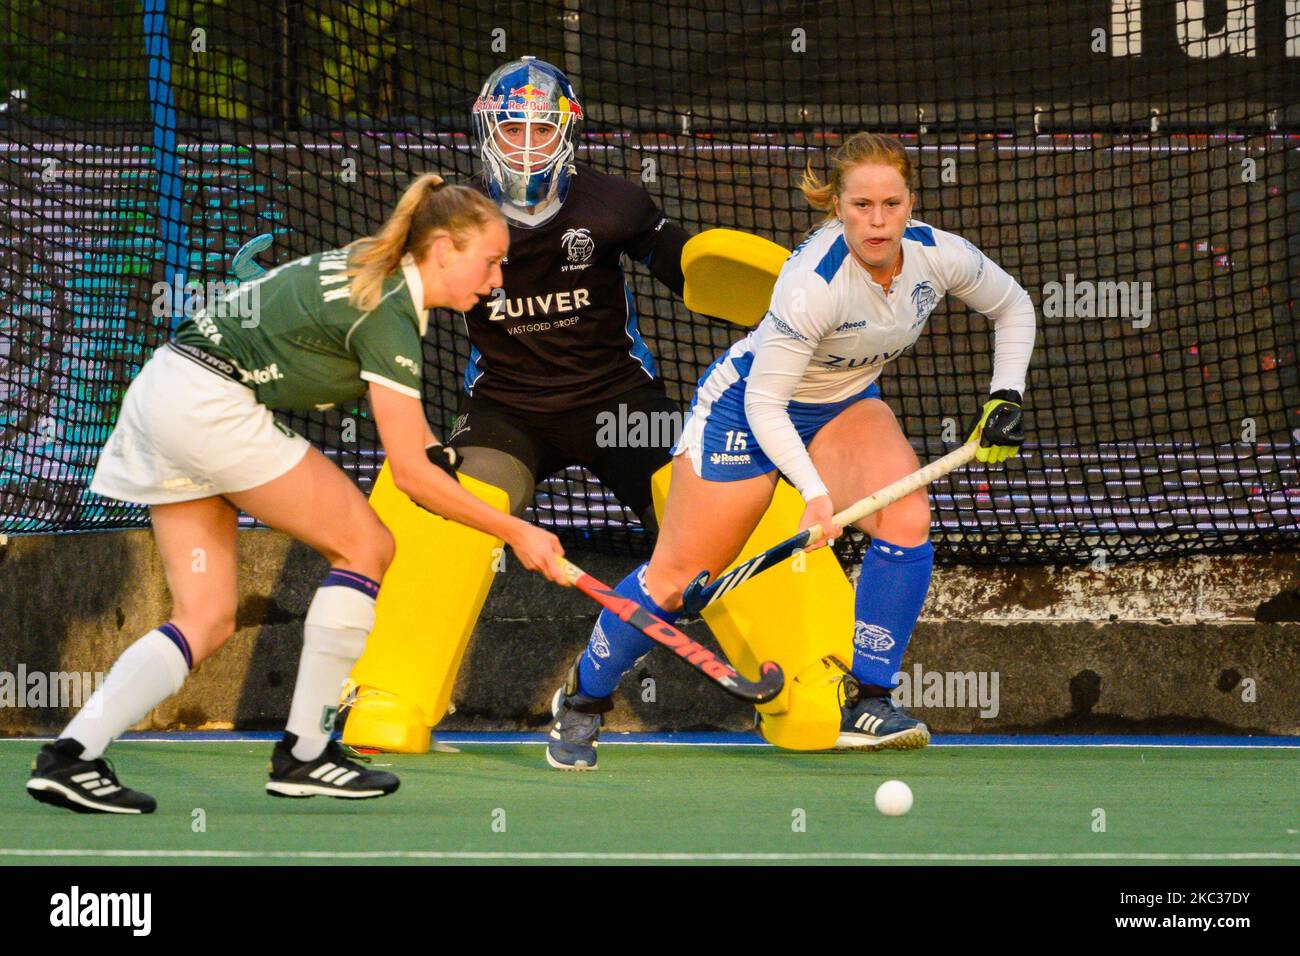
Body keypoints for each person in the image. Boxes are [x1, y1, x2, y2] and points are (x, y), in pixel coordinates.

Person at [26, 174, 566, 814]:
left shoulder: (374, 268)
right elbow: (414, 479)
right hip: (209, 408)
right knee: (366, 545)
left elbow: (418, 448)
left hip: (164, 395)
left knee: (206, 616)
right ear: (445, 248)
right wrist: (515, 531)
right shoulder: (389, 306)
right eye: (493, 261)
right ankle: (306, 752)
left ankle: (70, 757)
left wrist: (440, 459)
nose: (498, 279)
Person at [546, 132, 1037, 770]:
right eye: (862, 205)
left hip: (842, 405)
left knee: (907, 518)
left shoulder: (937, 255)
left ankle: (870, 698)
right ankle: (583, 701)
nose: (879, 221)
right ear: (837, 206)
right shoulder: (813, 283)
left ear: (911, 201)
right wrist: (816, 497)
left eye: (892, 203)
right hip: (746, 412)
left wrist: (1005, 397)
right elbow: (765, 405)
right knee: (672, 580)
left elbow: (1014, 306)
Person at [449, 55, 692, 529]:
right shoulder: (455, 216)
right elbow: (385, 289)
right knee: (460, 520)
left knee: (706, 512)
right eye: (512, 129)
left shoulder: (614, 203)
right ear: (487, 134)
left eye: (542, 129)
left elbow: (698, 273)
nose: (526, 147)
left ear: (566, 134)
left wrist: (795, 294)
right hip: (505, 411)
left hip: (620, 403)